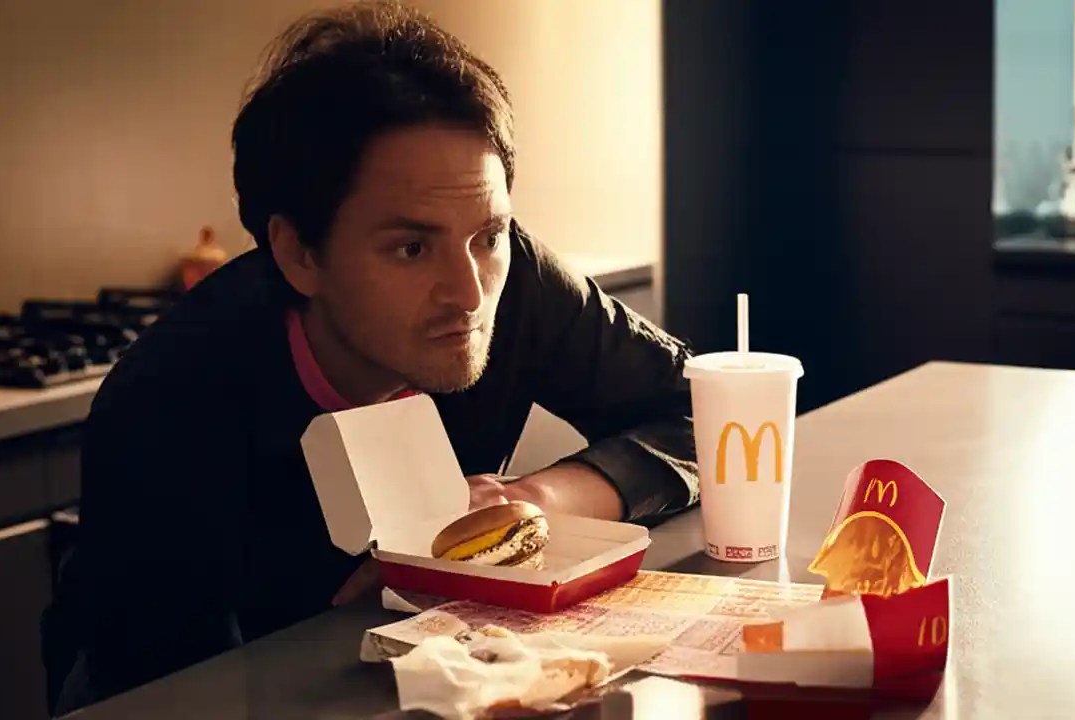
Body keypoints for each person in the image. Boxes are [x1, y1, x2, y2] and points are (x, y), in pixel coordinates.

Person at [43, 2, 698, 714]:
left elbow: (698, 410)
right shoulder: (167, 402)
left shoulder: (515, 283)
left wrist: (529, 501)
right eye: (411, 248)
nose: (469, 293)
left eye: (489, 234)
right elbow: (185, 683)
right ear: (298, 253)